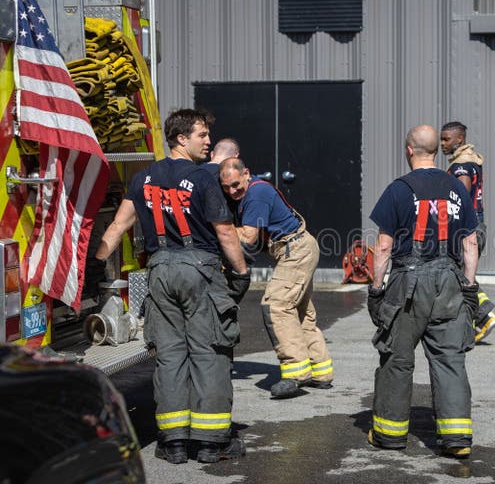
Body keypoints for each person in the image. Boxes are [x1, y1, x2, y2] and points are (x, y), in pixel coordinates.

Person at [94, 109, 250, 464]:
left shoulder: (143, 178)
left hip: (160, 273)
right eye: (201, 135)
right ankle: (212, 443)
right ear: (181, 138)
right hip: (201, 272)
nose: (208, 141)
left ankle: (174, 442)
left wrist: (97, 261)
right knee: (210, 353)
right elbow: (224, 231)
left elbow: (118, 226)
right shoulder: (204, 179)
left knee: (169, 357)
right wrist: (240, 272)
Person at [367, 124, 479, 458]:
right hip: (448, 282)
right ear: (434, 150)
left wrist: (376, 290)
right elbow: (470, 243)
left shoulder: (398, 189)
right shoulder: (457, 188)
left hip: (408, 284)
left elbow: (384, 247)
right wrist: (470, 288)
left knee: (397, 358)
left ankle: (389, 435)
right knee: (449, 358)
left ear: (408, 150)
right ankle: (457, 438)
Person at [218, 158, 334, 399]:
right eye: (226, 187)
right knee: (300, 313)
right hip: (298, 248)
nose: (232, 191)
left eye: (236, 184)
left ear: (247, 173)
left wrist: (220, 228)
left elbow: (248, 237)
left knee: (277, 305)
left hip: (295, 250)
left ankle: (295, 373)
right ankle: (321, 372)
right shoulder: (246, 195)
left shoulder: (257, 192)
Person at [440, 121, 495, 342]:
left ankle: (483, 316)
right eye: (441, 139)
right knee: (461, 274)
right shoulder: (472, 160)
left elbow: (460, 198)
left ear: (459, 140)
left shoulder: (461, 166)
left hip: (465, 229)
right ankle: (475, 321)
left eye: (446, 139)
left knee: (457, 275)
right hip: (476, 225)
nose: (442, 144)